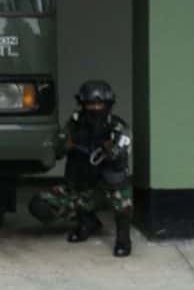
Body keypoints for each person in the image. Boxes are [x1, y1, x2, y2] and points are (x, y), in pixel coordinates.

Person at [28, 80, 133, 257]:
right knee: (40, 205)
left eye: (100, 104)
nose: (95, 108)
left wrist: (109, 150)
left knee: (121, 192)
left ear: (108, 105)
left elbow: (119, 158)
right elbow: (58, 151)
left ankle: (123, 239)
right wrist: (68, 142)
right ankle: (88, 222)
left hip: (106, 190)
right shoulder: (75, 123)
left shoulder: (117, 127)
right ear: (83, 104)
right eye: (91, 104)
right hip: (80, 185)